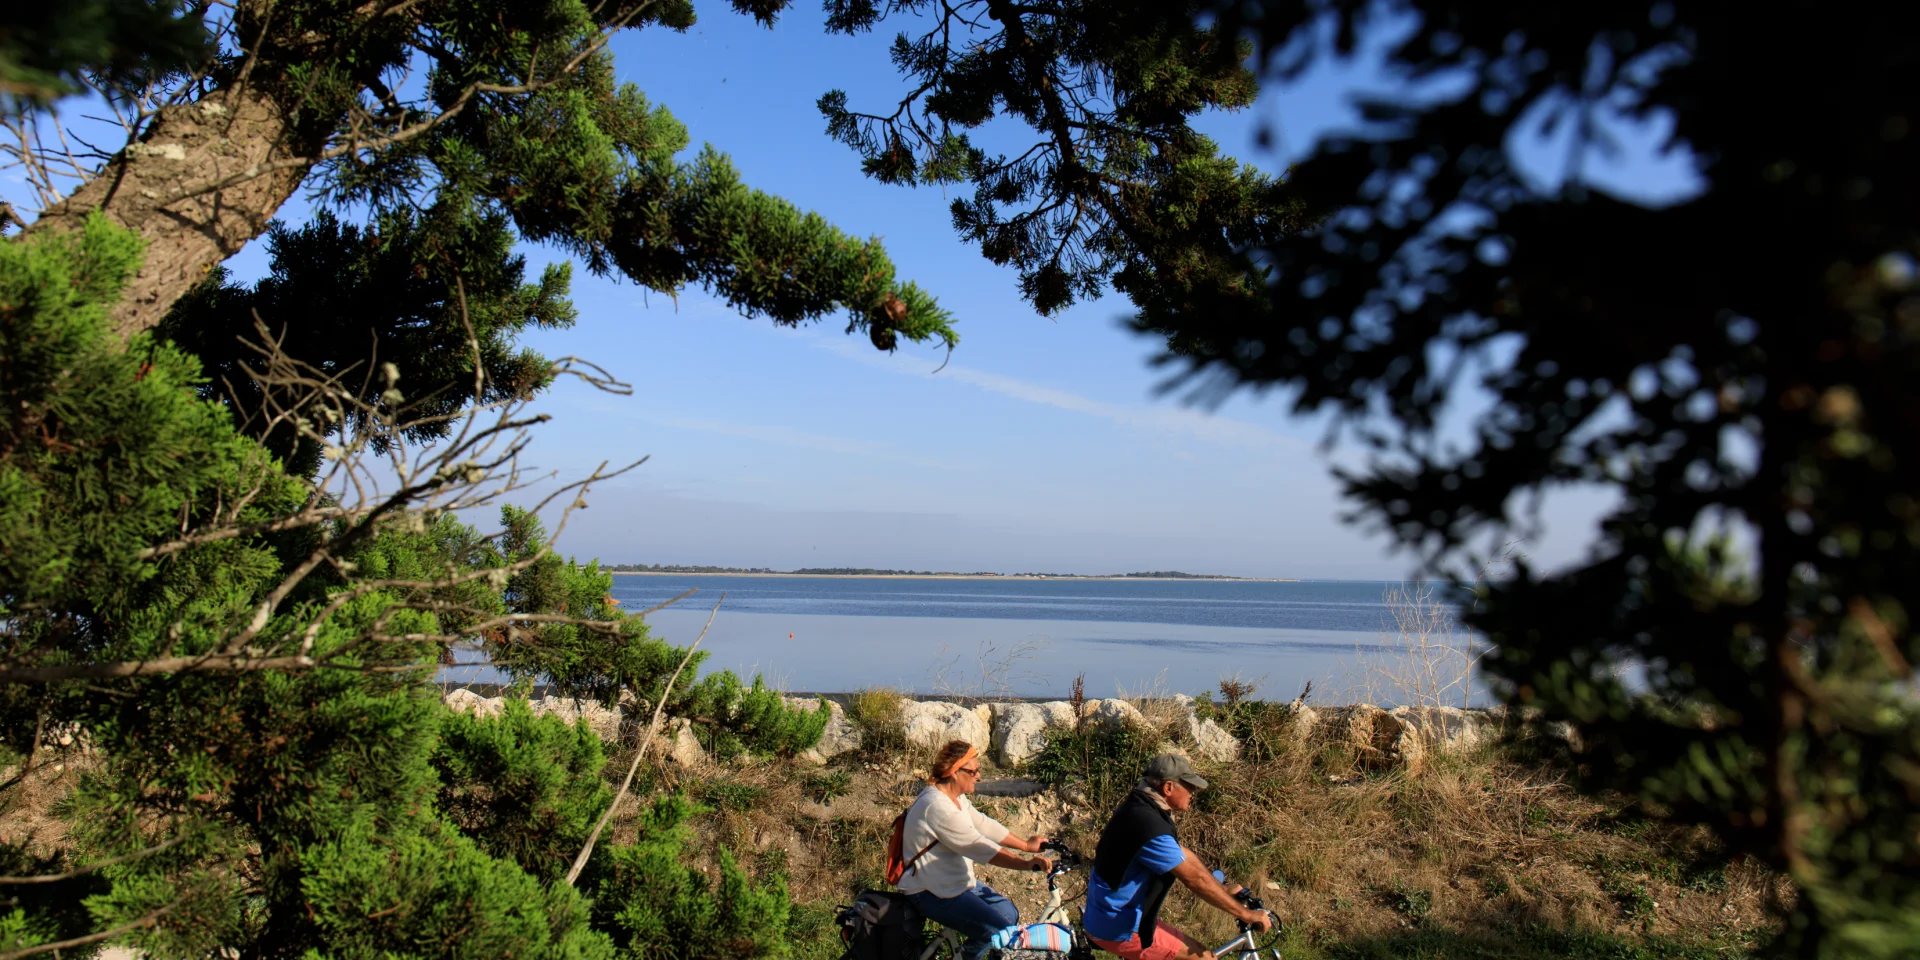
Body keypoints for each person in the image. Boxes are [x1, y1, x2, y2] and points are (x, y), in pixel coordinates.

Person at [1083, 753, 1273, 960]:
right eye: (1189, 786)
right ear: (1168, 788)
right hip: (1120, 925)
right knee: (1204, 958)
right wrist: (1245, 914)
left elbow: (1183, 856)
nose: (1193, 792)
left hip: (1109, 914)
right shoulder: (1149, 826)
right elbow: (1194, 879)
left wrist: (1222, 889)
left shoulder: (1140, 808)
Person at [897, 740, 1054, 960]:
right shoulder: (937, 807)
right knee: (1001, 932)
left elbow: (983, 824)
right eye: (973, 771)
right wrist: (1025, 864)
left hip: (954, 883)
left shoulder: (955, 798)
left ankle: (967, 955)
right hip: (930, 891)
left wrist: (1026, 845)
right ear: (954, 772)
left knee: (1008, 915)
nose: (978, 776)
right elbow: (980, 847)